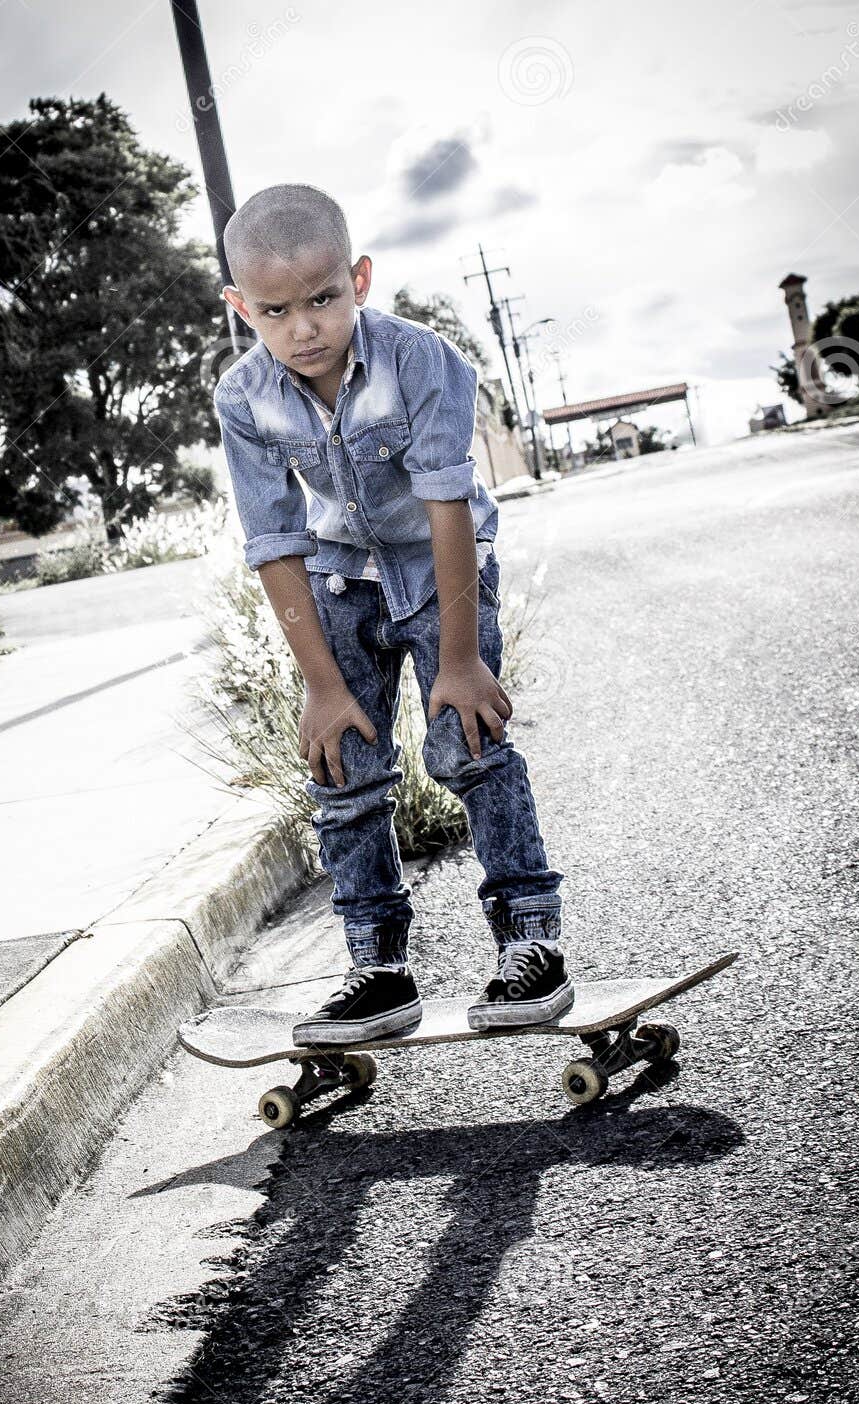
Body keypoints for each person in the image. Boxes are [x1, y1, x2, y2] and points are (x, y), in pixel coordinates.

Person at [213, 183, 570, 1045]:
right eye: (275, 311)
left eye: (323, 299)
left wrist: (461, 660)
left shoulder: (422, 360)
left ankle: (531, 943)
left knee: (468, 744)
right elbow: (274, 543)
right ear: (241, 308)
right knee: (344, 771)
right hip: (340, 582)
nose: (303, 328)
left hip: (442, 571)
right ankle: (378, 968)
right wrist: (321, 687)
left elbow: (449, 507)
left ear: (360, 279)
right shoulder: (243, 397)